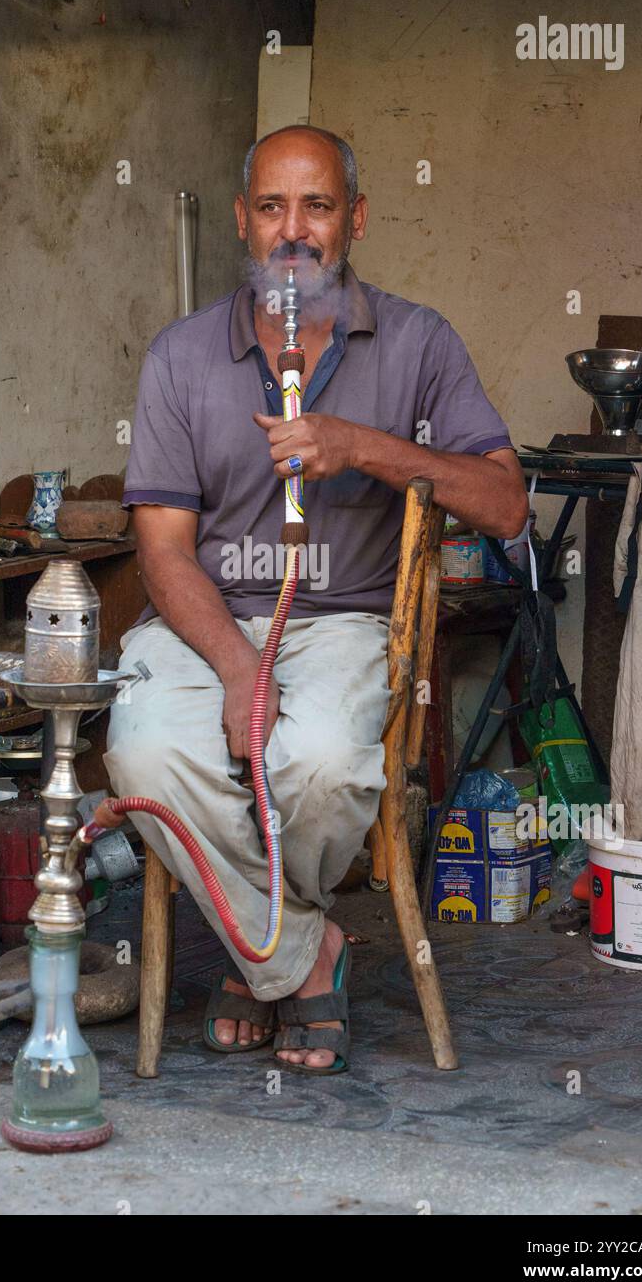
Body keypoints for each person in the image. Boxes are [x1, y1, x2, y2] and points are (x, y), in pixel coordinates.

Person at [104, 125, 528, 1073]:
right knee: (140, 752)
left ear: (356, 219)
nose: (293, 231)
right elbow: (164, 550)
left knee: (327, 764)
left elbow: (505, 505)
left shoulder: (419, 342)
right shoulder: (180, 356)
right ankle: (302, 958)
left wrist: (361, 446)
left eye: (318, 206)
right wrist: (236, 663)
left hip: (346, 618)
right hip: (202, 620)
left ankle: (254, 959)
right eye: (270, 207)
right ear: (246, 227)